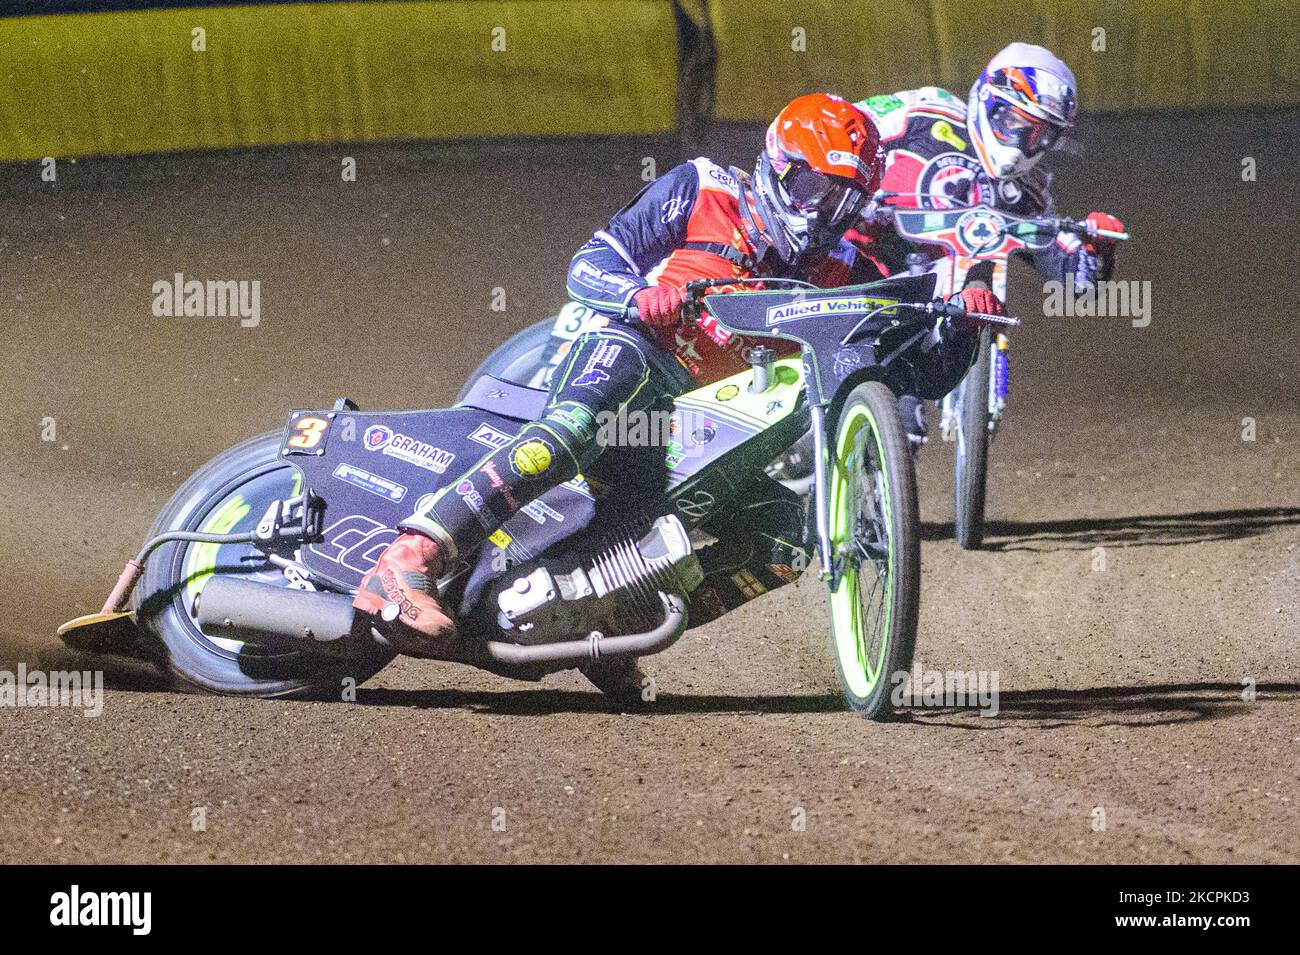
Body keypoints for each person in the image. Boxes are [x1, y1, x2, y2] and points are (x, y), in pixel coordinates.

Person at [351, 92, 997, 652]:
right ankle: (410, 558)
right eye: (812, 191)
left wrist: (963, 327)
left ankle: (605, 621)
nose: (820, 215)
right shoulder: (705, 187)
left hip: (709, 426)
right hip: (638, 354)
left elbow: (924, 376)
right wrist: (638, 297)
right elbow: (589, 263)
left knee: (790, 538)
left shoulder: (847, 275)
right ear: (778, 166)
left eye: (843, 203)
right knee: (575, 424)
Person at [849, 42, 1125, 446]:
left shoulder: (1024, 193)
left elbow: (1072, 273)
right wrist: (856, 191)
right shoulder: (922, 115)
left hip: (923, 304)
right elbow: (837, 129)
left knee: (901, 428)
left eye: (1039, 135)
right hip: (851, 263)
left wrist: (1099, 246)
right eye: (1013, 122)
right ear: (986, 101)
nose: (1019, 143)